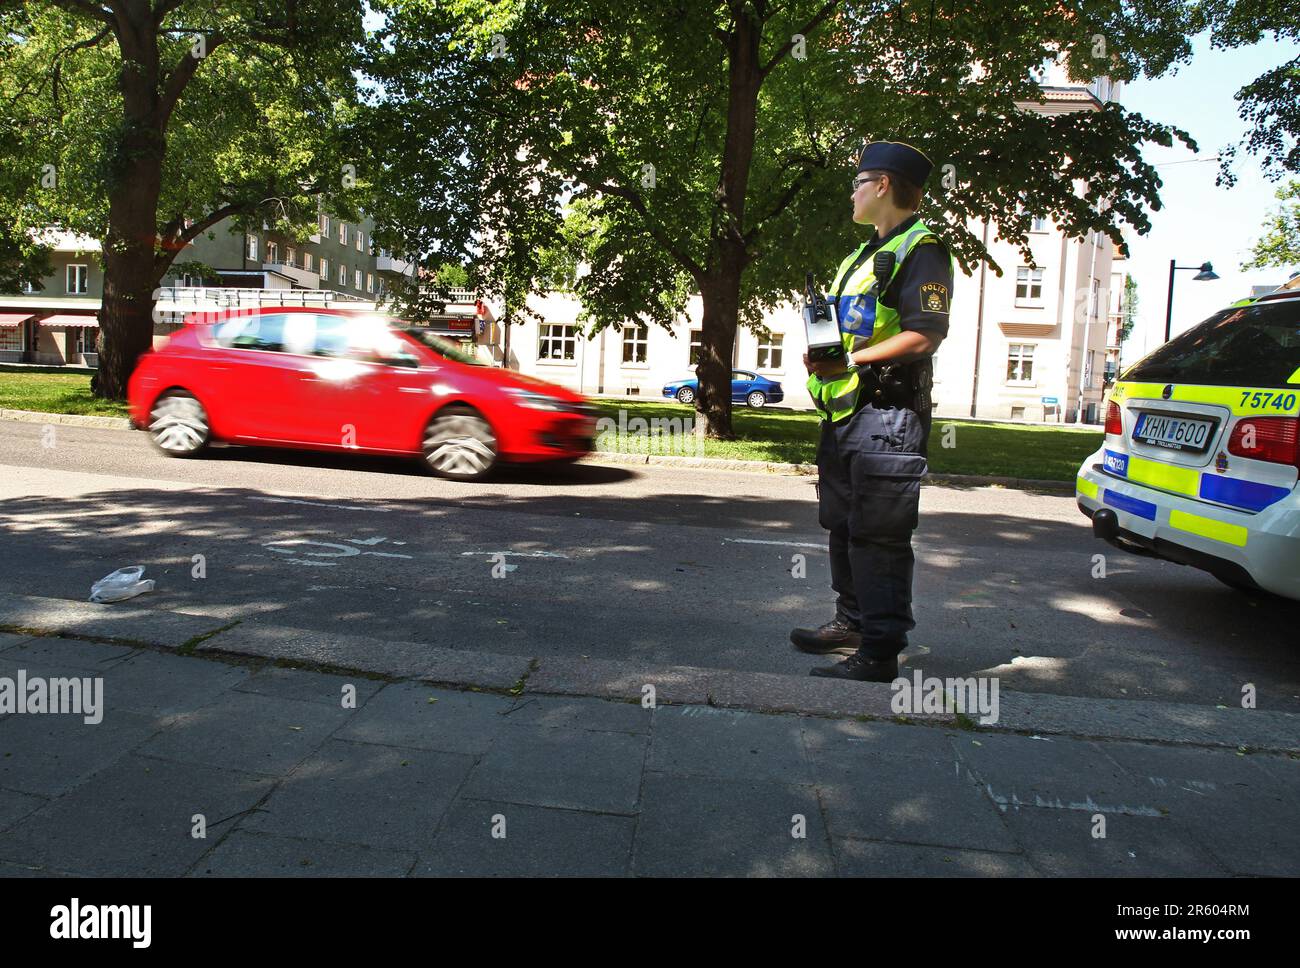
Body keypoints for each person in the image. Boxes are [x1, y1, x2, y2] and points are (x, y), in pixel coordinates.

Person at [791, 140, 953, 682]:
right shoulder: (860, 256)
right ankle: (852, 621)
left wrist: (853, 358)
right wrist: (823, 352)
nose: (852, 193)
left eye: (858, 183)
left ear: (883, 185)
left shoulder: (922, 249)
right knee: (842, 523)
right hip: (845, 413)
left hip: (888, 415)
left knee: (879, 535)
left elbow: (925, 334)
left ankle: (880, 650)